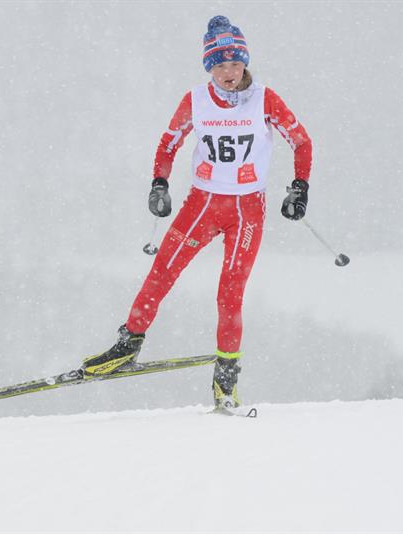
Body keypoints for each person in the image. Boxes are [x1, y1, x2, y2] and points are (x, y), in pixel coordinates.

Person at [82, 15, 313, 410]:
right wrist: (159, 183)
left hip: (246, 211)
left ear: (245, 62)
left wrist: (299, 187)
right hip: (202, 205)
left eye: (235, 63)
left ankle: (226, 379)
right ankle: (128, 344)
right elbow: (168, 143)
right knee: (162, 271)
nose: (228, 72)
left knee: (230, 293)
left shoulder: (265, 99)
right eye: (219, 65)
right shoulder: (196, 100)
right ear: (208, 68)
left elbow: (302, 142)